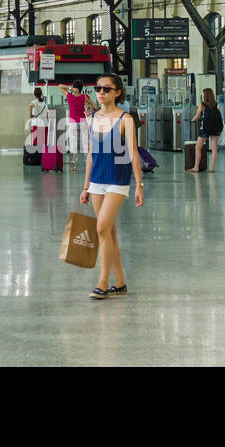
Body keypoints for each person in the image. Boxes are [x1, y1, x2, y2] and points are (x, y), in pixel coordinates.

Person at [80, 74, 144, 299]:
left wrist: (139, 184)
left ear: (118, 92)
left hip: (118, 180)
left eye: (107, 89)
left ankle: (103, 282)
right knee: (109, 233)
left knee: (101, 229)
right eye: (98, 88)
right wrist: (86, 186)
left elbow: (133, 152)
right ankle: (120, 282)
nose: (101, 92)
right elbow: (90, 154)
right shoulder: (91, 118)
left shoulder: (126, 119)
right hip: (97, 181)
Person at [188, 88, 223, 173]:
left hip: (205, 128)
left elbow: (197, 116)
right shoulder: (217, 104)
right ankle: (211, 168)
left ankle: (196, 167)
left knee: (198, 147)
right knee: (214, 148)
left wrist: (192, 120)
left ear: (205, 95)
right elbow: (219, 115)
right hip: (216, 127)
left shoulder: (202, 105)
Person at [59, 80, 90, 173]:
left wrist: (70, 88)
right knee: (85, 142)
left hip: (72, 122)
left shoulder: (69, 96)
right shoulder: (85, 96)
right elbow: (88, 108)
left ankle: (74, 166)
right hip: (83, 121)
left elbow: (60, 86)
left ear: (75, 88)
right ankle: (87, 162)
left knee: (73, 144)